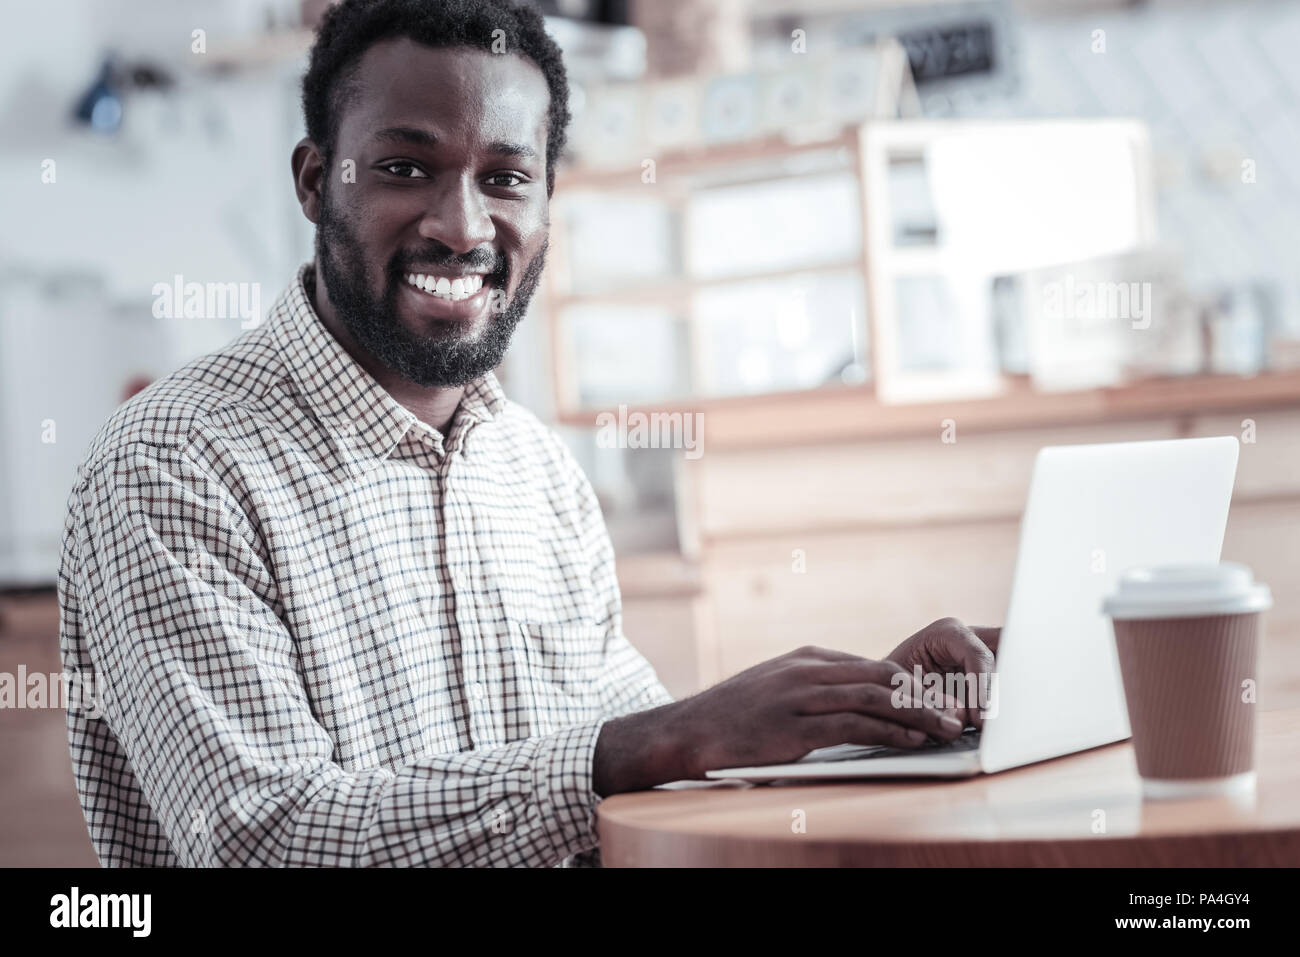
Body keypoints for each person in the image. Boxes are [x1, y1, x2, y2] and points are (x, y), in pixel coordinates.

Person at [58, 0, 998, 868]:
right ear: (315, 181)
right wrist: (653, 744)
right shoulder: (173, 463)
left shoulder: (537, 472)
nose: (462, 226)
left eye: (506, 178)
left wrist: (865, 708)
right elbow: (262, 838)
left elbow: (647, 761)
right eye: (405, 167)